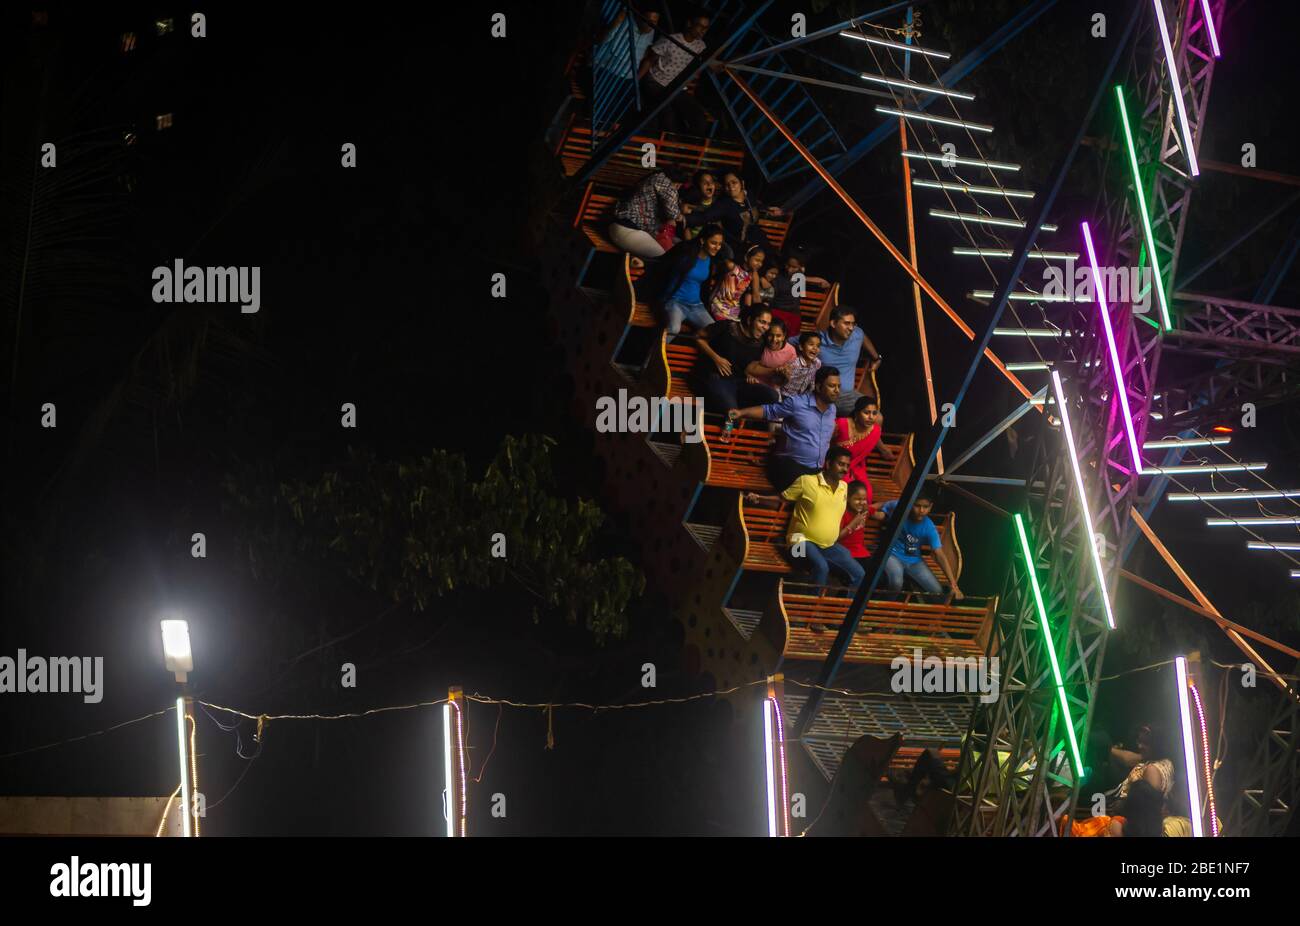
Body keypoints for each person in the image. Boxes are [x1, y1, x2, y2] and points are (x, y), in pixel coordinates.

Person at [744, 446, 863, 591]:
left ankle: (843, 611)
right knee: (821, 567)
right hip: (797, 544)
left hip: (827, 547)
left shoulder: (844, 487)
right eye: (840, 464)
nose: (844, 469)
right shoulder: (806, 481)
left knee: (859, 574)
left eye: (847, 465)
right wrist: (759, 498)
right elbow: (782, 499)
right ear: (828, 463)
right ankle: (808, 608)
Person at [728, 365, 840, 491]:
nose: (837, 390)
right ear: (819, 387)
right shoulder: (797, 403)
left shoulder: (832, 409)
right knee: (811, 491)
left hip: (815, 470)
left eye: (838, 386)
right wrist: (741, 413)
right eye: (832, 386)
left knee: (832, 490)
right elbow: (769, 411)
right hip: (788, 466)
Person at [871, 496, 963, 600]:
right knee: (896, 583)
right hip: (892, 555)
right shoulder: (900, 507)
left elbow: (939, 554)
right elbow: (883, 504)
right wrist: (867, 508)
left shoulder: (929, 527)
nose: (921, 510)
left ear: (930, 507)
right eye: (917, 506)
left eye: (925, 507)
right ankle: (885, 607)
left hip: (914, 561)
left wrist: (954, 585)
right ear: (911, 504)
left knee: (937, 591)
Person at [693, 303, 778, 412]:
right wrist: (716, 358)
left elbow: (751, 367)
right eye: (762, 322)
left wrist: (774, 371)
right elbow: (698, 337)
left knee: (772, 396)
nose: (765, 328)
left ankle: (736, 412)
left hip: (738, 382)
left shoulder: (760, 342)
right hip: (715, 378)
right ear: (749, 320)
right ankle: (731, 420)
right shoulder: (726, 327)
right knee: (732, 409)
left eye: (768, 324)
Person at [802, 306, 882, 417]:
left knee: (876, 417)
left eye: (853, 324)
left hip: (848, 397)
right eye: (847, 323)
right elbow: (791, 342)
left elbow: (862, 337)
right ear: (833, 324)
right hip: (822, 395)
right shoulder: (817, 339)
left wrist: (877, 358)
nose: (851, 328)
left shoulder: (856, 334)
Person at [639, 15, 710, 137]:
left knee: (698, 117)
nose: (703, 30)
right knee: (668, 116)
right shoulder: (670, 40)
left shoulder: (701, 46)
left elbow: (706, 66)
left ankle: (688, 148)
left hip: (676, 86)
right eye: (700, 26)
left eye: (706, 28)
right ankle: (667, 149)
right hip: (656, 82)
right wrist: (637, 80)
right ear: (689, 24)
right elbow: (650, 60)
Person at [686, 171, 781, 257]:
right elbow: (704, 217)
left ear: (742, 183)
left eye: (734, 182)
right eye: (727, 184)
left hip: (759, 240)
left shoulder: (748, 196)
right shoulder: (724, 205)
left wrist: (767, 209)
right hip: (739, 248)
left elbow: (754, 206)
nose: (731, 187)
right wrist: (682, 218)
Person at [655, 225, 726, 336]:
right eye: (713, 243)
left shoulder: (711, 261)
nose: (717, 247)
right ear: (702, 240)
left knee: (714, 333)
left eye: (719, 244)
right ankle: (653, 352)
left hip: (696, 306)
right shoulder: (685, 251)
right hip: (675, 302)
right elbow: (663, 263)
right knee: (673, 329)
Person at [608, 168, 684, 260]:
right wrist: (679, 216)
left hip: (624, 229)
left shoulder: (652, 180)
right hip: (627, 229)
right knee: (664, 257)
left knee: (677, 247)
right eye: (678, 186)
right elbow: (673, 213)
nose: (677, 189)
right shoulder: (663, 181)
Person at [591, 6, 660, 106]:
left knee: (634, 104)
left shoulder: (651, 31)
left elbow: (645, 54)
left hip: (627, 78)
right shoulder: (624, 22)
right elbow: (599, 41)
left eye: (655, 22)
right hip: (607, 70)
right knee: (604, 103)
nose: (651, 25)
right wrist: (615, 22)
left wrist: (636, 79)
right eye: (648, 21)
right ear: (639, 17)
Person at [832, 396, 894, 507]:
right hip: (834, 464)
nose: (871, 417)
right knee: (847, 492)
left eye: (874, 413)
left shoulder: (875, 431)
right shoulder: (841, 424)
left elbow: (859, 456)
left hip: (855, 466)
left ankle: (859, 522)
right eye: (866, 413)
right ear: (856, 413)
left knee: (866, 493)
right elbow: (825, 443)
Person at [769, 251, 829, 336]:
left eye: (794, 267)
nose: (789, 269)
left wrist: (806, 278)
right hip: (777, 311)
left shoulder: (799, 277)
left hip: (792, 313)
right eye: (788, 265)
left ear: (800, 267)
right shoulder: (778, 276)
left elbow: (824, 283)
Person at [711, 244, 764, 323]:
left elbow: (756, 295)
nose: (759, 264)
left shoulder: (754, 274)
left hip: (734, 310)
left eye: (761, 261)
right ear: (746, 257)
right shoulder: (732, 267)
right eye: (757, 260)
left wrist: (761, 314)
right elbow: (715, 267)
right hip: (719, 305)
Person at [748, 316, 795, 392]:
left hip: (772, 387)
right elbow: (749, 369)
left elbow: (783, 382)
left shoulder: (790, 351)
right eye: (771, 335)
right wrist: (774, 370)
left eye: (778, 336)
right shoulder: (759, 345)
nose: (774, 339)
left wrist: (784, 373)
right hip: (754, 381)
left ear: (784, 336)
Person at [838, 481, 873, 574]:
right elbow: (836, 537)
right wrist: (853, 524)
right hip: (847, 553)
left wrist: (891, 505)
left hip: (862, 553)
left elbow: (877, 509)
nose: (861, 502)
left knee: (878, 576)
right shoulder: (843, 514)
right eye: (857, 499)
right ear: (848, 498)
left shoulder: (864, 511)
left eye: (864, 499)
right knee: (859, 574)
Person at [783, 329, 822, 397]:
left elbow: (812, 380)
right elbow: (780, 383)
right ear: (801, 347)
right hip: (786, 395)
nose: (815, 348)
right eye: (811, 344)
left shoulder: (817, 363)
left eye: (818, 346)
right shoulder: (794, 364)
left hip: (801, 397)